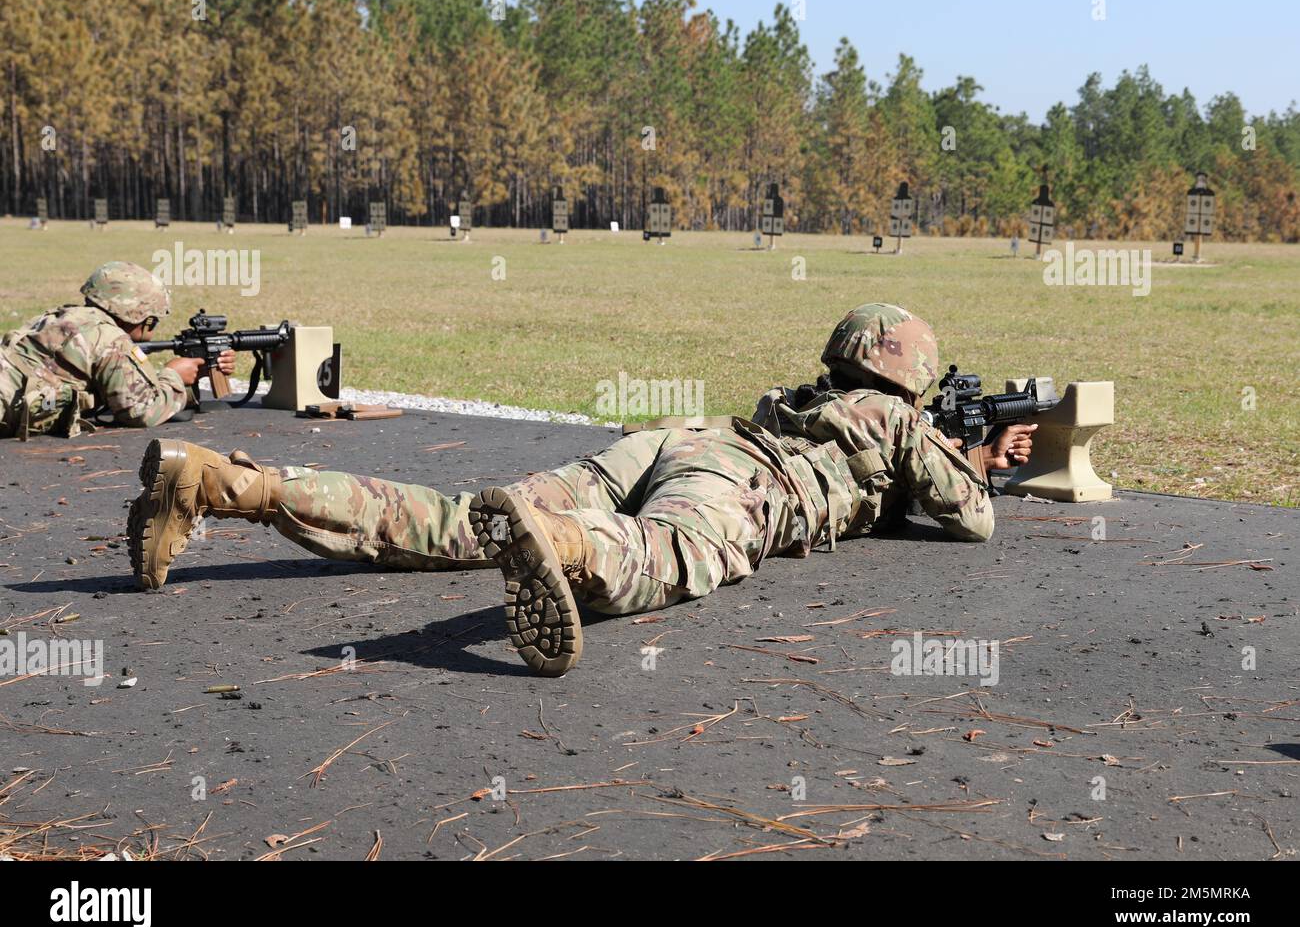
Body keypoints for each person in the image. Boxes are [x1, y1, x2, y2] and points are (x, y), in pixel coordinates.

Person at [127, 303, 1037, 677]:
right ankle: (565, 547)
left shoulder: (808, 399)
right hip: (746, 482)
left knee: (453, 521)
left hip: (680, 441)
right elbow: (973, 521)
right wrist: (979, 460)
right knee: (668, 553)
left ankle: (228, 486)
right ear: (911, 379)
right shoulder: (902, 423)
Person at [0, 262, 235, 438]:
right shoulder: (110, 338)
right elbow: (141, 412)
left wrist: (195, 372)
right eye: (151, 322)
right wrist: (173, 374)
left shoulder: (62, 316)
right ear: (137, 315)